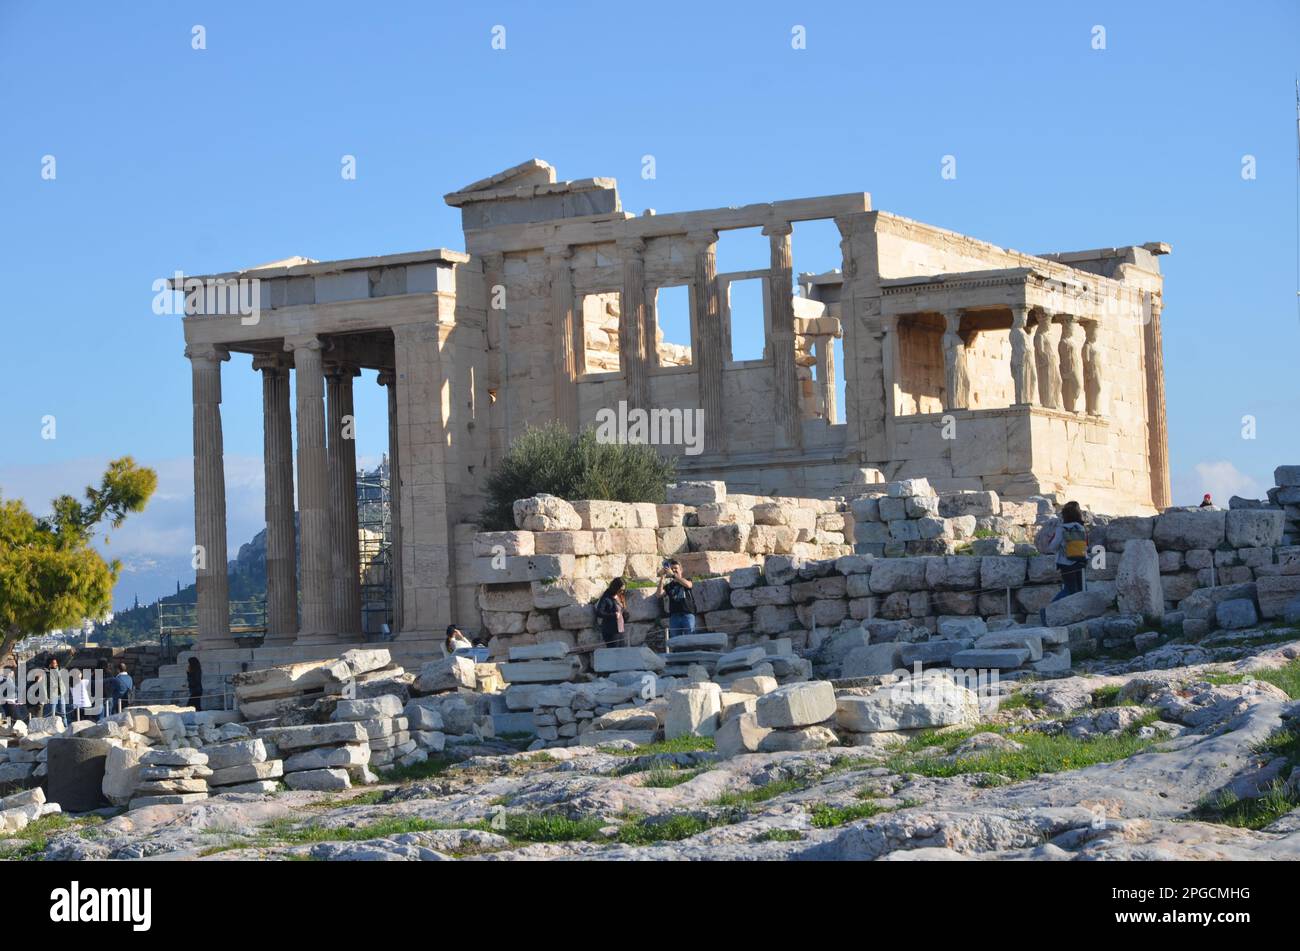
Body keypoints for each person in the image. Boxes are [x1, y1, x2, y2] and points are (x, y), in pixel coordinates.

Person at [1041, 501, 1089, 623]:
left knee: (1069, 590)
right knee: (1080, 590)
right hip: (1080, 562)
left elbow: (1053, 547)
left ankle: (1047, 611)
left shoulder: (1061, 529)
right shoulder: (1081, 527)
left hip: (1066, 564)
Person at [656, 559, 697, 640]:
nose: (674, 570)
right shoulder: (669, 585)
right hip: (674, 616)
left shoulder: (688, 579)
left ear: (681, 570)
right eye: (672, 568)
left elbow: (688, 585)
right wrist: (662, 578)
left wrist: (674, 576)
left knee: (691, 639)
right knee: (675, 640)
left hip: (687, 614)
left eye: (676, 568)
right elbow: (659, 594)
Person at [594, 577, 629, 647]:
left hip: (620, 629)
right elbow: (599, 612)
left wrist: (626, 615)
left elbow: (621, 610)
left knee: (623, 651)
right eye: (620, 590)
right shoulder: (606, 597)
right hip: (610, 631)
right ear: (615, 588)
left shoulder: (620, 596)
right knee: (614, 653)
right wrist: (613, 615)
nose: (622, 592)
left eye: (623, 590)